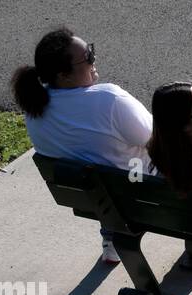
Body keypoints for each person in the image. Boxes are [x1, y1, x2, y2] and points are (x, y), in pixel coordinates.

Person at [11, 28, 153, 264]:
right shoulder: (108, 99)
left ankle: (112, 237)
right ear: (63, 75)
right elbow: (157, 138)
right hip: (145, 192)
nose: (94, 60)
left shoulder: (35, 111)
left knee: (102, 172)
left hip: (95, 200)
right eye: (88, 57)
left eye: (91, 51)